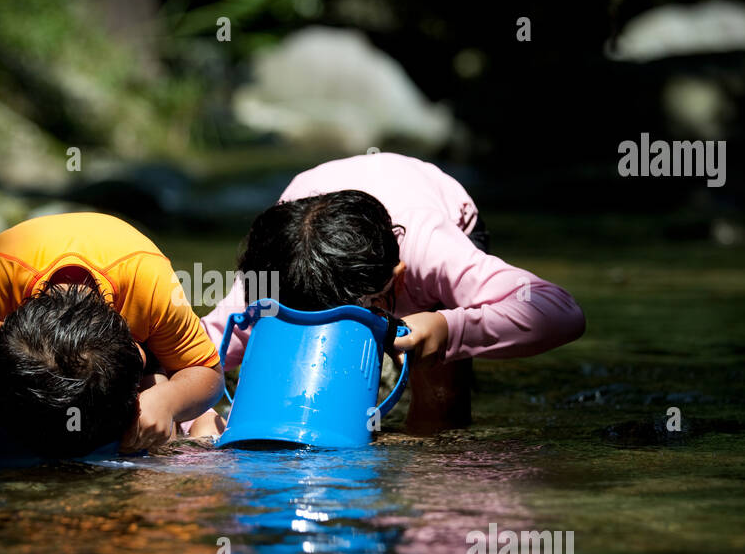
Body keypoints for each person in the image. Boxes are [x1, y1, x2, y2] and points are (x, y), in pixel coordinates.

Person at [190, 153, 585, 436]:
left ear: (396, 280)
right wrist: (196, 421)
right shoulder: (278, 272)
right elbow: (194, 355)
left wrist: (449, 327)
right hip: (304, 233)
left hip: (432, 208)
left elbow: (560, 310)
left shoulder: (431, 253)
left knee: (441, 400)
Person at [0, 211, 223, 457]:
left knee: (157, 398)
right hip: (18, 275)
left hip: (130, 285)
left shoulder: (151, 292)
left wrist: (167, 401)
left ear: (135, 351)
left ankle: (192, 420)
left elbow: (208, 372)